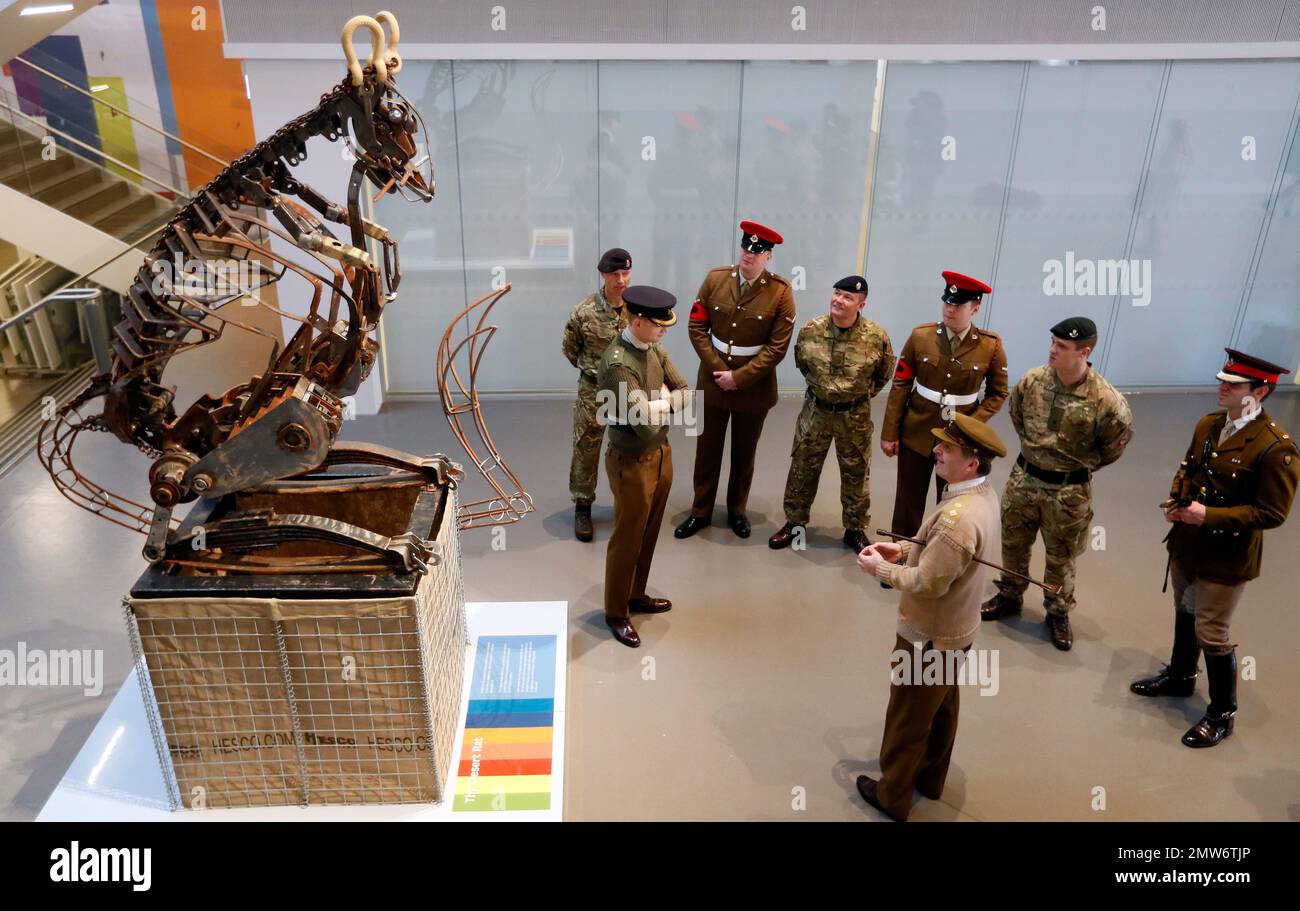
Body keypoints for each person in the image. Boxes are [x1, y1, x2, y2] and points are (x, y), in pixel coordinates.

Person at [1130, 349, 1299, 747]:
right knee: (1184, 608)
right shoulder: (1209, 424)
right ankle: (1181, 676)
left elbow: (1271, 513)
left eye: (1234, 384)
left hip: (1228, 555)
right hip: (1187, 542)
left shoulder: (1276, 448)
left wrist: (1208, 516)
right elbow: (1188, 468)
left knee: (1212, 630)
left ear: (1259, 391)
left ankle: (1222, 713)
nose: (1222, 387)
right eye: (1223, 380)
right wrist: (1177, 501)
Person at [855, 412, 1007, 822]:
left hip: (927, 636)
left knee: (906, 718)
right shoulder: (981, 496)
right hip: (958, 631)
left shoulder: (957, 519)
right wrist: (900, 550)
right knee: (941, 708)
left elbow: (929, 582)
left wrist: (880, 569)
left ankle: (893, 796)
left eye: (947, 448)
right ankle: (931, 779)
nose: (936, 450)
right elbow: (938, 556)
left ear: (972, 461)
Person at [979, 317, 1134, 651]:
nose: (1052, 350)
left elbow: (1113, 446)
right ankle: (1009, 593)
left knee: (1060, 556)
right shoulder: (1032, 381)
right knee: (1014, 542)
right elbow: (1018, 416)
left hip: (1068, 491)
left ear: (1084, 352)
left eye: (1061, 346)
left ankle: (1057, 612)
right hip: (1025, 478)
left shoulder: (1106, 401)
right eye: (1052, 342)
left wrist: (1072, 467)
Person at [675, 220, 795, 540]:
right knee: (707, 451)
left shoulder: (780, 293)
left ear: (768, 257)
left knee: (744, 454)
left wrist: (740, 378)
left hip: (753, 389)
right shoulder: (715, 280)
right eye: (745, 248)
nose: (748, 255)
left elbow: (777, 347)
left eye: (756, 252)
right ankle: (700, 510)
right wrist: (719, 371)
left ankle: (737, 510)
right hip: (714, 383)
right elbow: (697, 327)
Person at [769, 275, 894, 553]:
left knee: (856, 473)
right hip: (816, 412)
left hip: (855, 416)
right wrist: (824, 392)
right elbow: (803, 364)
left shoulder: (876, 337)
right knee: (803, 468)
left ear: (862, 304)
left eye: (847, 297)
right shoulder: (811, 330)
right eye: (837, 293)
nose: (838, 300)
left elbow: (883, 374)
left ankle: (854, 529)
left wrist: (854, 397)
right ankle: (794, 523)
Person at [597, 285, 692, 648]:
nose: (665, 330)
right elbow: (644, 424)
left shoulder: (653, 348)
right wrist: (666, 404)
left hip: (661, 455)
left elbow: (687, 391)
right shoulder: (620, 365)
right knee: (627, 538)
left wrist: (663, 403)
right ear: (636, 322)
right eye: (658, 324)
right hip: (632, 462)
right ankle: (616, 611)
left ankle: (635, 594)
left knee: (649, 532)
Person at [880, 271, 1008, 537]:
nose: (950, 309)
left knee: (953, 500)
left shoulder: (990, 346)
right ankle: (899, 553)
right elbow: (901, 383)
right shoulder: (921, 337)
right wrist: (890, 433)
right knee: (908, 499)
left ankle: (942, 555)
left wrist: (971, 424)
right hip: (917, 431)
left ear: (975, 308)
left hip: (959, 438)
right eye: (947, 303)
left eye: (958, 305)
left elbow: (998, 392)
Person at [562, 248, 632, 542]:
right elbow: (570, 350)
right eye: (615, 274)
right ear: (603, 274)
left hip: (629, 389)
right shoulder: (584, 312)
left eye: (626, 273)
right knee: (587, 447)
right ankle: (582, 506)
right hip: (594, 388)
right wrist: (594, 370)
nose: (621, 280)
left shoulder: (636, 308)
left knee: (629, 446)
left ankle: (629, 503)